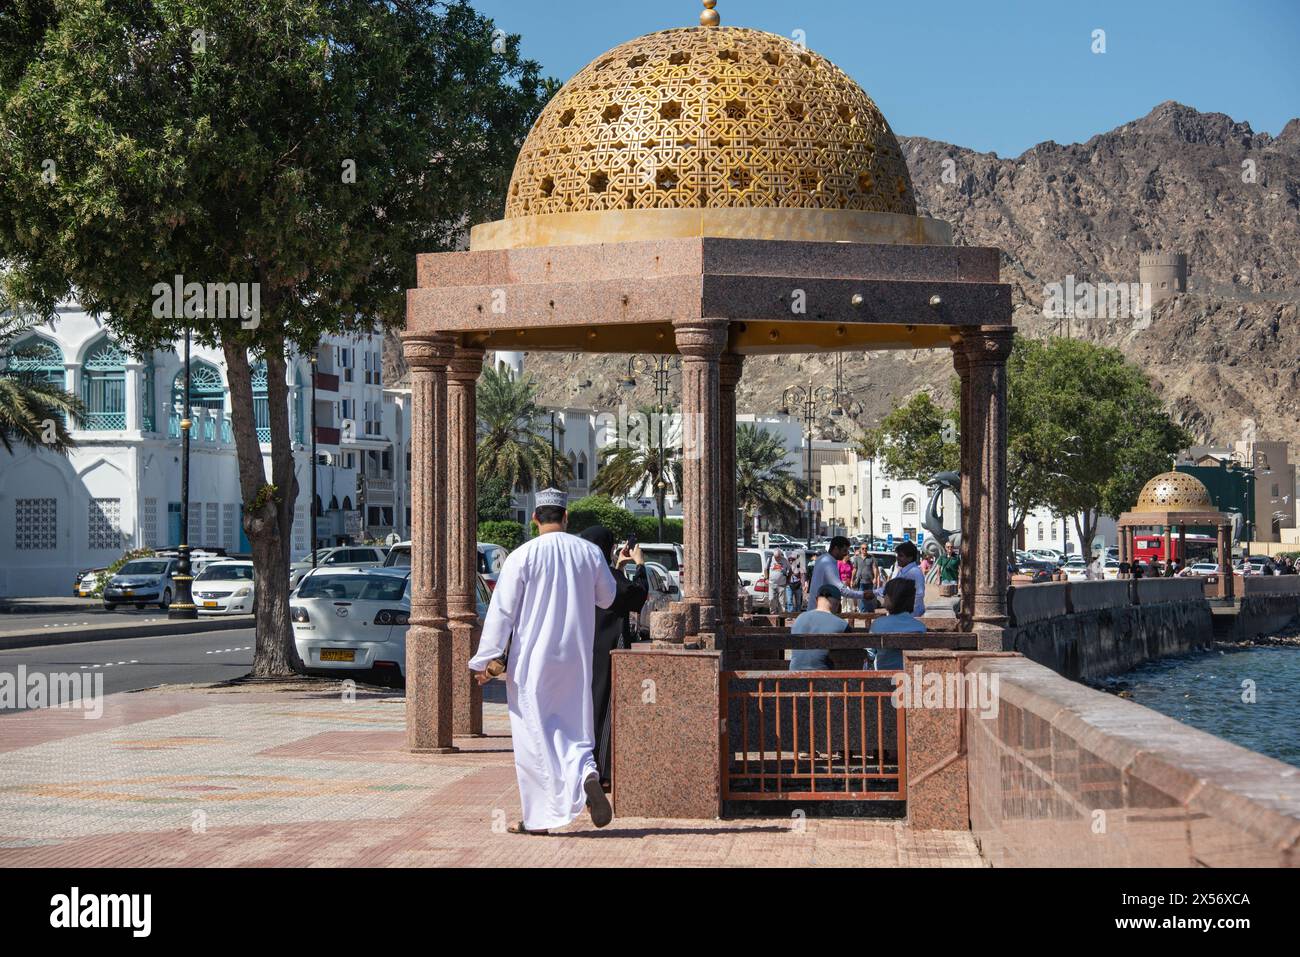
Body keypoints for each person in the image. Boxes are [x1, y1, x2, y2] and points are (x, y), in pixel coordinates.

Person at [469, 489, 618, 835]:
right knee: (573, 727)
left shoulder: (521, 556)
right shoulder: (589, 552)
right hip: (576, 658)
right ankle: (586, 773)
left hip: (532, 661)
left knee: (533, 734)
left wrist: (486, 661)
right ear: (566, 518)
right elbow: (608, 597)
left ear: (535, 519)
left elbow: (501, 612)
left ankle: (540, 819)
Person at [579, 525, 648, 789]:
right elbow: (637, 596)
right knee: (605, 708)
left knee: (583, 708)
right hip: (609, 652)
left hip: (581, 651)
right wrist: (639, 565)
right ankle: (602, 772)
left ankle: (582, 768)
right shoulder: (610, 579)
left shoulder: (580, 577)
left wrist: (618, 568)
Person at [867, 577, 926, 670]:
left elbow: (870, 654)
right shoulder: (920, 627)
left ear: (890, 598)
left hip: (881, 679)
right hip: (909, 677)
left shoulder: (878, 624)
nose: (883, 597)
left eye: (885, 594)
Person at [789, 584, 848, 671]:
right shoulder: (842, 625)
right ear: (837, 603)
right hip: (823, 679)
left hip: (793, 676)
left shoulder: (799, 618)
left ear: (816, 600)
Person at [808, 536, 864, 613]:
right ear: (836, 548)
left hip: (815, 609)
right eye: (844, 550)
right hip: (821, 612)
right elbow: (841, 590)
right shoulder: (828, 563)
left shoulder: (821, 558)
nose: (846, 554)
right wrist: (863, 594)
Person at [876, 540, 926, 617]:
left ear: (910, 558)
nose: (898, 558)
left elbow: (919, 594)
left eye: (901, 556)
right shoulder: (902, 571)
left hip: (910, 617)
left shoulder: (915, 572)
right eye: (897, 555)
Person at [852, 543, 877, 613]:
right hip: (860, 581)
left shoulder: (871, 558)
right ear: (860, 549)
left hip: (869, 581)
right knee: (861, 596)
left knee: (869, 596)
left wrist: (875, 578)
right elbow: (854, 569)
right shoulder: (857, 558)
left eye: (866, 548)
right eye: (863, 548)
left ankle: (870, 611)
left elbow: (874, 568)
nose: (864, 550)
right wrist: (852, 579)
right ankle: (863, 611)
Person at [768, 548, 790, 615]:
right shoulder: (770, 559)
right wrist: (766, 578)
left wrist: (788, 581)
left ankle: (782, 615)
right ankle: (773, 613)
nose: (777, 559)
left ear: (780, 555)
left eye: (778, 557)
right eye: (776, 557)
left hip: (782, 584)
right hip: (772, 583)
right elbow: (766, 569)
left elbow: (790, 570)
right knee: (771, 599)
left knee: (782, 601)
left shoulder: (785, 560)